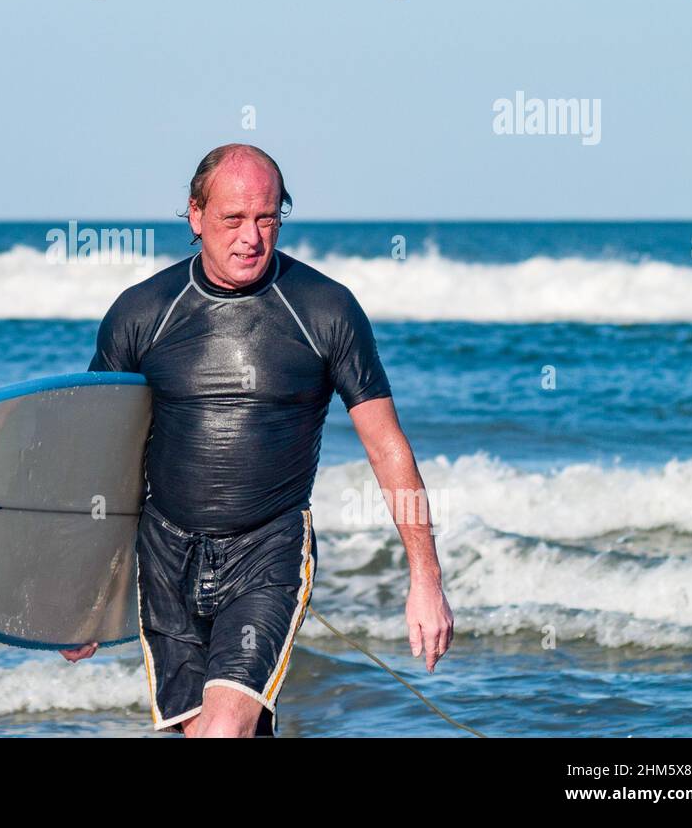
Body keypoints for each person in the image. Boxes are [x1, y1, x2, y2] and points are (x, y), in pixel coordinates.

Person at [61, 143, 453, 737]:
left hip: (267, 549)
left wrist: (426, 579)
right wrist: (83, 590)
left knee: (225, 731)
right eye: (232, 219)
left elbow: (387, 447)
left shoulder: (325, 311)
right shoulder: (142, 314)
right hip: (163, 553)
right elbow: (97, 454)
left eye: (267, 218)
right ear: (195, 216)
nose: (251, 237)